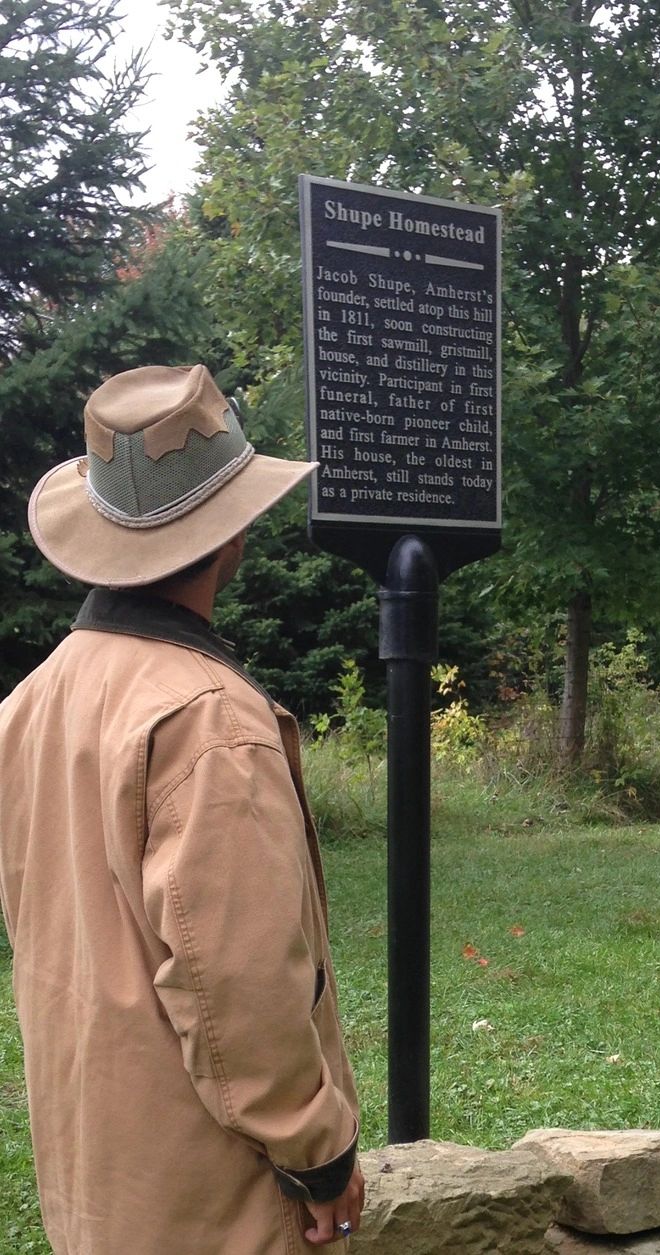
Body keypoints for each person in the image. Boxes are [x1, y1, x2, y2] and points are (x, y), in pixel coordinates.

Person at [0, 364, 364, 1253]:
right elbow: (234, 987)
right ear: (232, 532)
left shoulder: (32, 701)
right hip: (211, 1197)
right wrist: (319, 1156)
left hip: (96, 1171)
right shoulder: (210, 721)